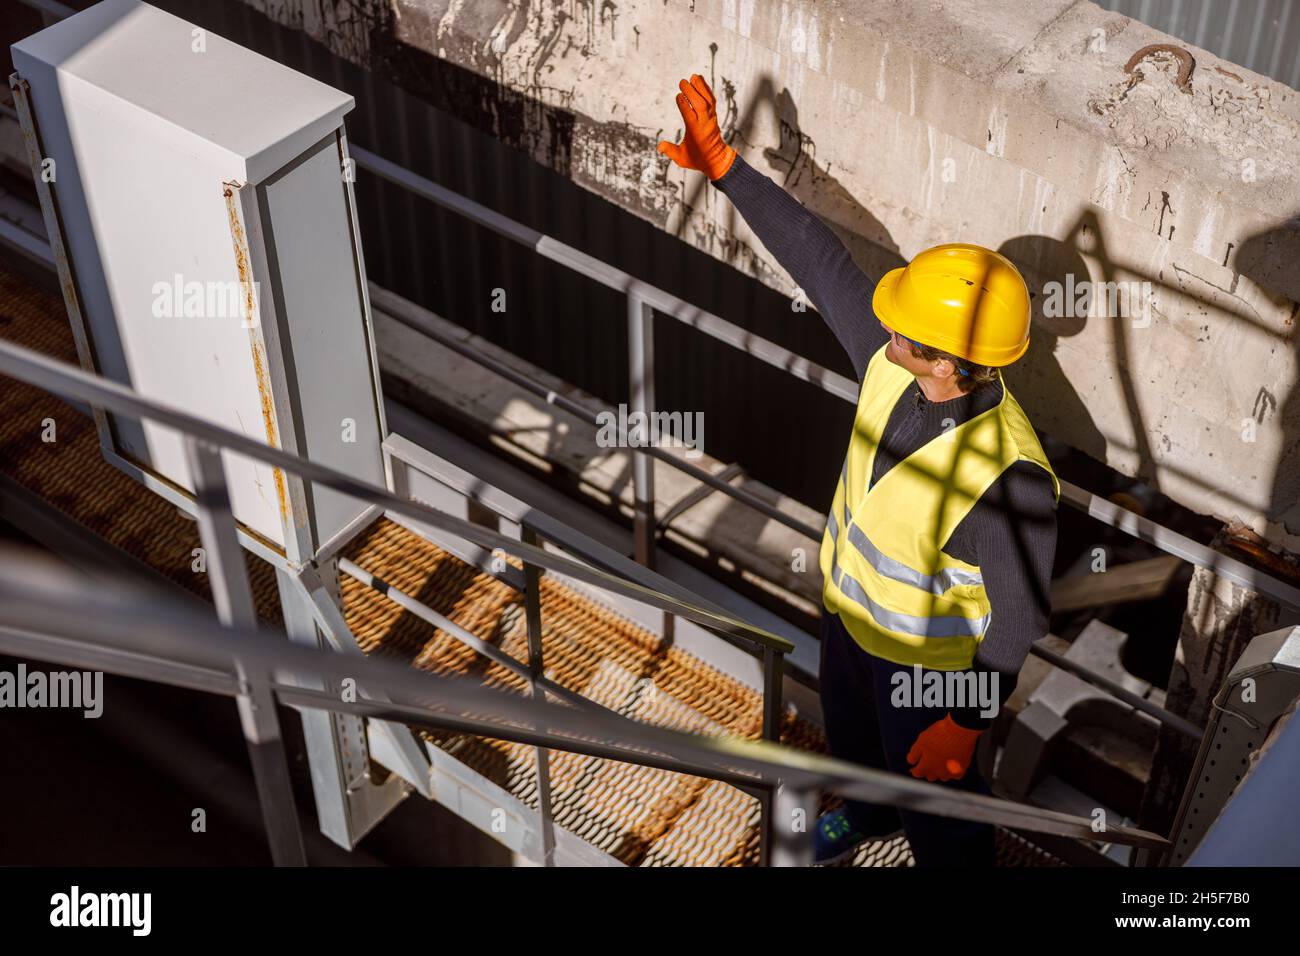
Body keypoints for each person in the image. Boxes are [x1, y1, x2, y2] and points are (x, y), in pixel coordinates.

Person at [658, 75, 1059, 866]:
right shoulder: (892, 365)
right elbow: (819, 261)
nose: (885, 322)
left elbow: (1017, 624)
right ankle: (871, 818)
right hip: (847, 621)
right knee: (859, 752)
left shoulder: (1009, 476)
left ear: (950, 361)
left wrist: (965, 721)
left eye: (905, 328)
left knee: (939, 805)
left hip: (926, 673)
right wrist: (725, 166)